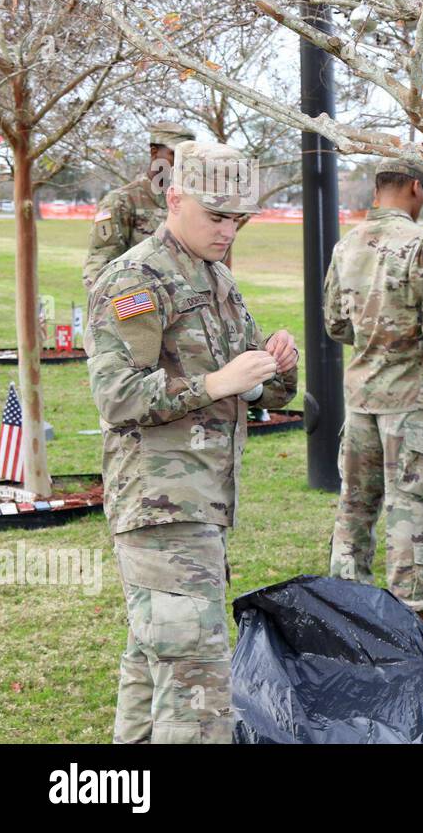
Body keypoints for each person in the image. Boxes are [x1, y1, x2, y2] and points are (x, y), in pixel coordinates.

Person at [87, 140, 298, 744]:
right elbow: (118, 397)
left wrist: (271, 368)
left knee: (153, 667)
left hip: (200, 505)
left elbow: (265, 392)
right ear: (174, 198)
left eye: (238, 218)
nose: (228, 229)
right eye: (216, 215)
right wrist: (215, 383)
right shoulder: (135, 279)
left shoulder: (216, 275)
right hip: (160, 507)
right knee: (196, 689)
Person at [323, 157, 423, 645]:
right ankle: (413, 622)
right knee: (414, 504)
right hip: (412, 399)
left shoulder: (347, 245)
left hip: (362, 396)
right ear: (413, 188)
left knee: (356, 503)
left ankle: (348, 610)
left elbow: (335, 325)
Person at [83, 121, 197, 290]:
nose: (182, 163)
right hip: (142, 305)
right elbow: (99, 268)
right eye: (174, 155)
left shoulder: (193, 202)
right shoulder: (121, 201)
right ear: (154, 152)